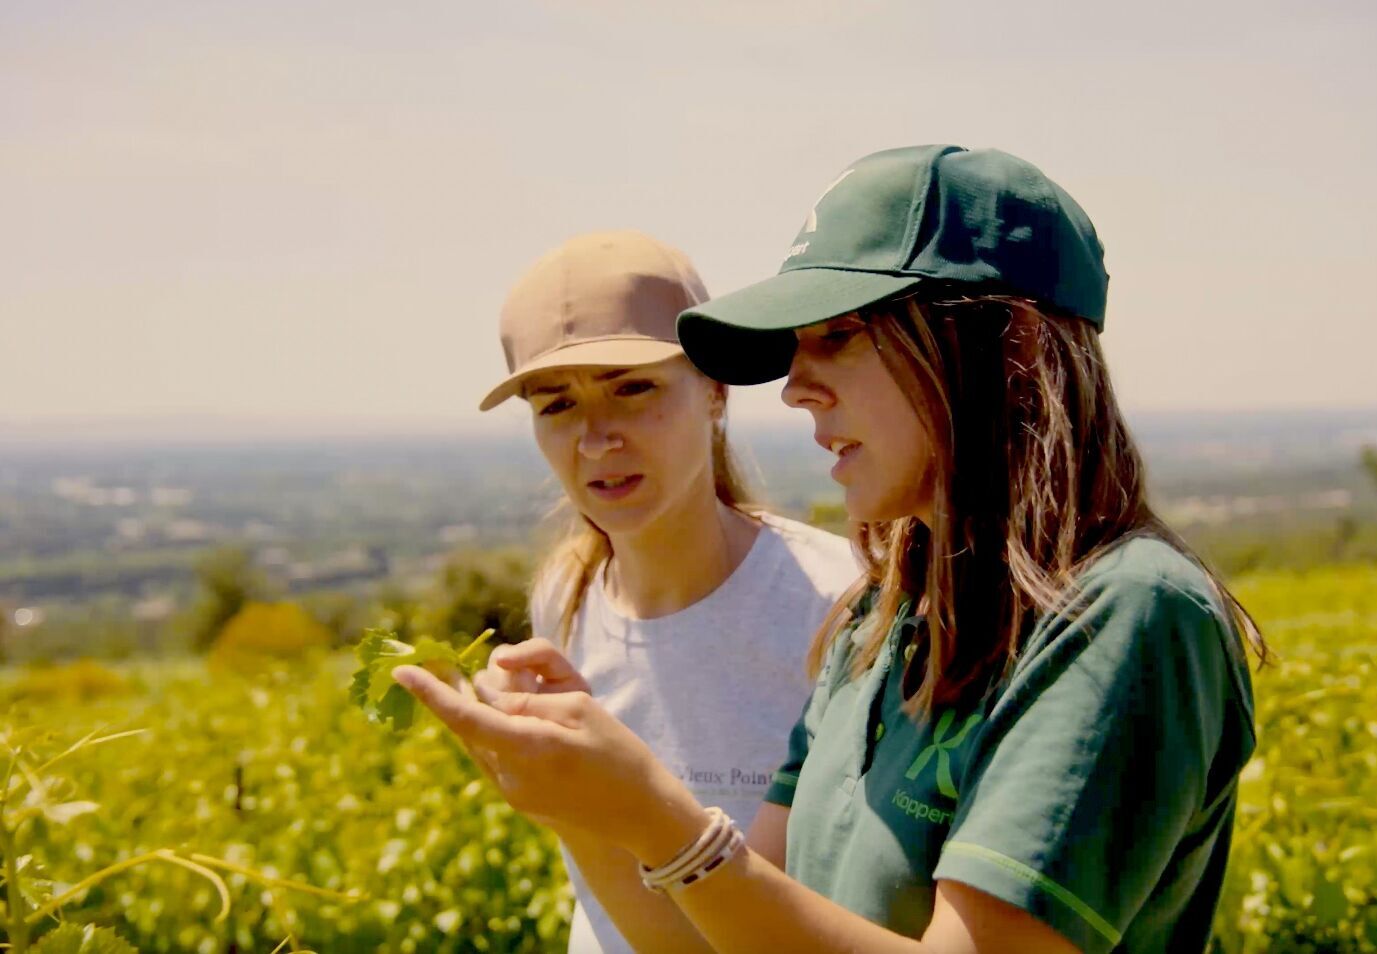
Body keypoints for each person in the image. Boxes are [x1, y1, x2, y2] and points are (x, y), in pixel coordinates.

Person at [400, 148, 1264, 953]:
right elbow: (727, 937)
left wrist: (661, 818)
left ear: (1014, 346)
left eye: (839, 337)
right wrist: (586, 810)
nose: (793, 387)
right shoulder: (876, 621)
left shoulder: (1125, 617)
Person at [473, 230, 860, 953]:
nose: (595, 439)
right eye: (555, 405)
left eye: (632, 388)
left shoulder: (838, 603)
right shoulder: (565, 595)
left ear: (714, 393)